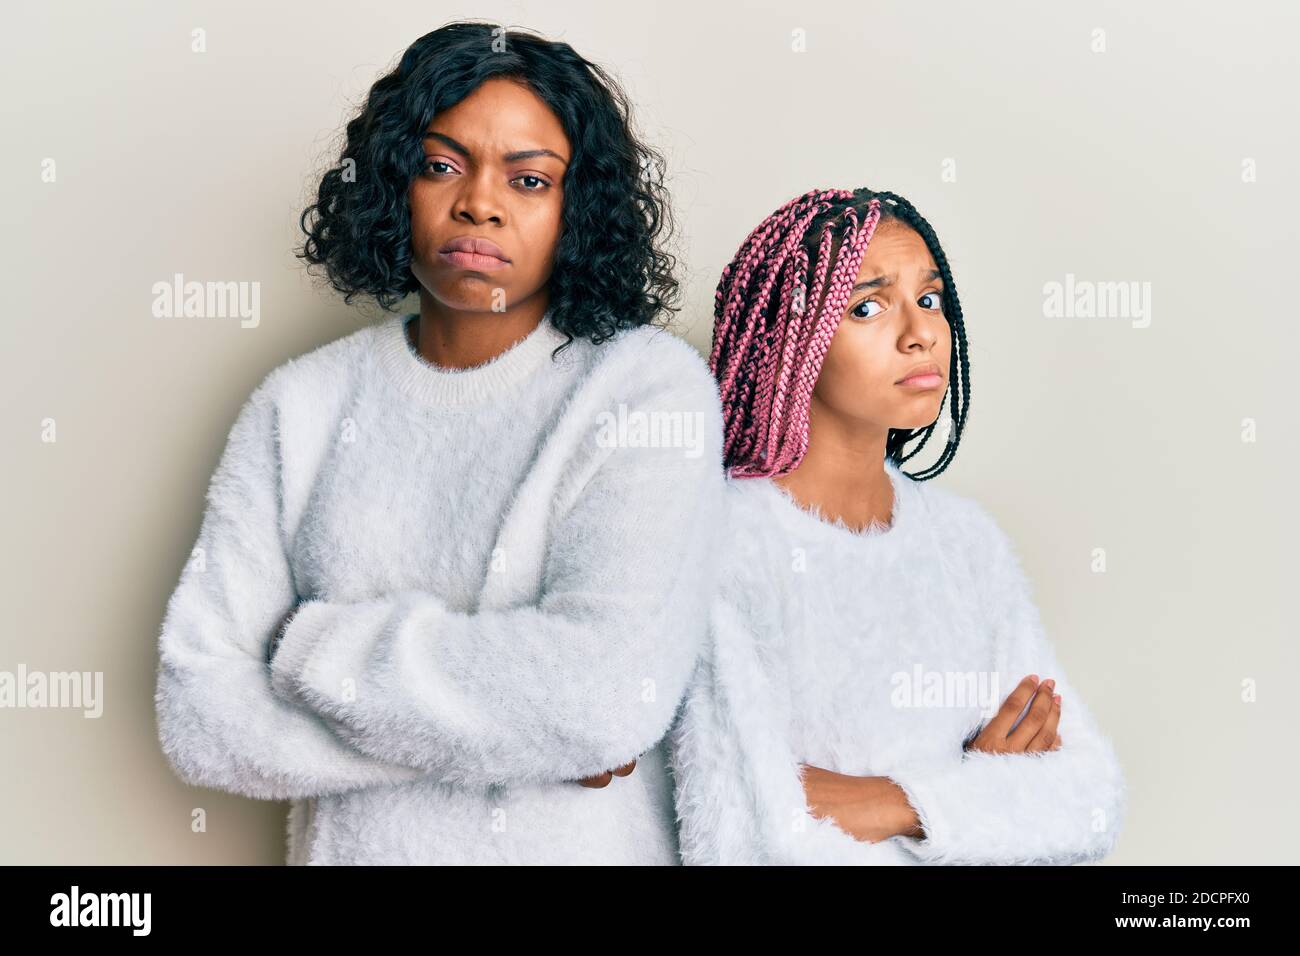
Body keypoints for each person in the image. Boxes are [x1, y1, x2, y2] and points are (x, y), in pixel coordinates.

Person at [155, 20, 726, 865]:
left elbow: (603, 696)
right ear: (394, 185)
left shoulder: (645, 390)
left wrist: (308, 651)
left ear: (577, 209)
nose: (479, 203)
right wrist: (521, 733)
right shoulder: (301, 405)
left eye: (529, 180)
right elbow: (201, 717)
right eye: (440, 165)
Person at [668, 187, 1126, 865]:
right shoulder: (714, 541)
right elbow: (739, 833)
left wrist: (896, 803)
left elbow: (1087, 799)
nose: (919, 332)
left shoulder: (967, 544)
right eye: (868, 305)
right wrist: (978, 798)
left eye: (931, 298)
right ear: (788, 339)